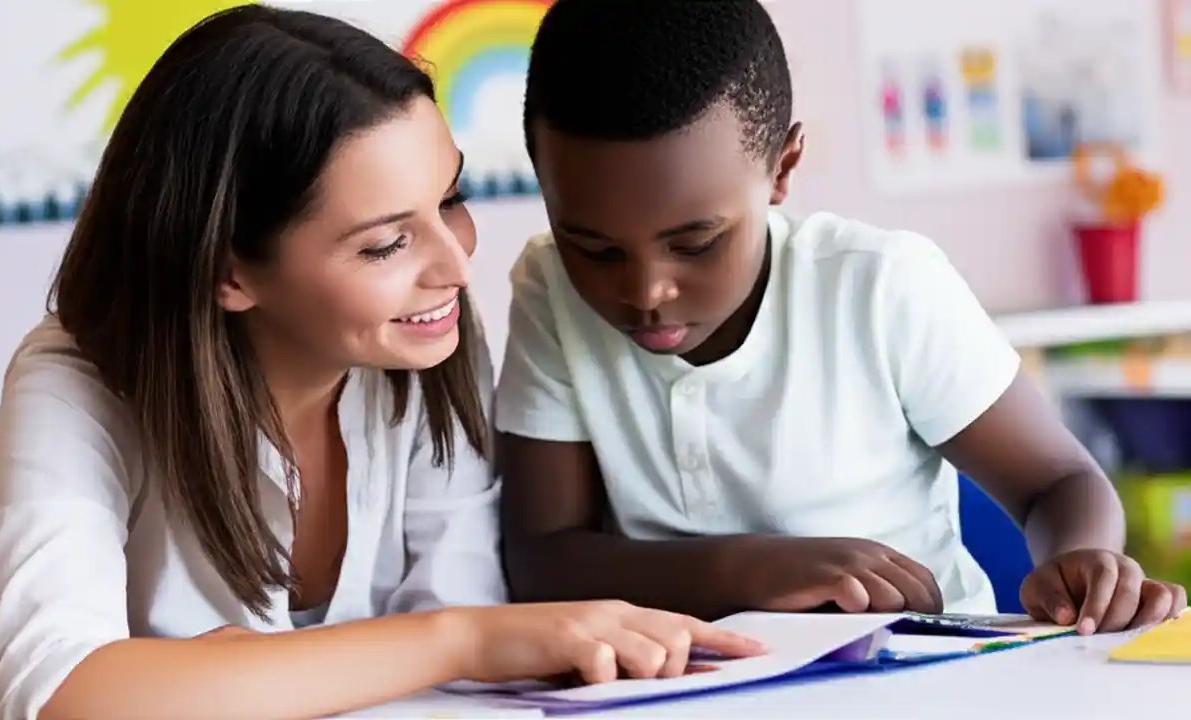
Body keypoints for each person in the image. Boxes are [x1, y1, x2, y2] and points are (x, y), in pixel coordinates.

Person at [0, 7, 765, 719]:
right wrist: (454, 641)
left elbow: (464, 673)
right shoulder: (75, 383)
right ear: (228, 271)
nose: (454, 265)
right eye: (387, 242)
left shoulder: (421, 347)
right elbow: (54, 696)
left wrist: (234, 673)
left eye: (450, 201)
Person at [495, 0, 1187, 631]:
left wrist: (1082, 561)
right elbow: (541, 561)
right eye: (593, 246)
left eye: (697, 243)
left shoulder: (879, 286)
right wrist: (748, 573)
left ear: (783, 167)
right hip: (680, 688)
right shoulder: (549, 286)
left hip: (923, 677)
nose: (647, 291)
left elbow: (1059, 483)